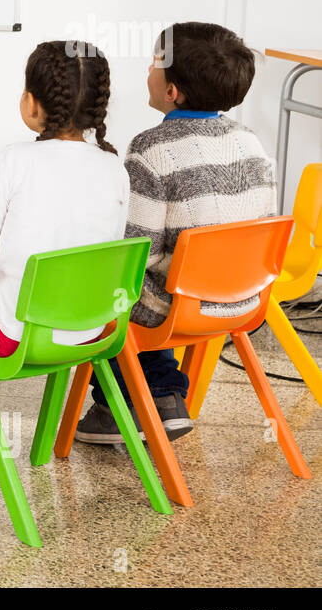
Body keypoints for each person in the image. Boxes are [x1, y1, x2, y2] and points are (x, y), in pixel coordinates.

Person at [0, 41, 130, 463]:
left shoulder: (16, 159)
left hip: (12, 337)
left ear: (32, 104)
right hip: (89, 330)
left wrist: (14, 257)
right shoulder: (114, 167)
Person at [75, 23, 275, 443]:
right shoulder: (251, 142)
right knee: (156, 282)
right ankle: (164, 398)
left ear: (171, 92)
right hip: (244, 301)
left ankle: (122, 405)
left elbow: (137, 253)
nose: (148, 68)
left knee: (110, 288)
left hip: (181, 306)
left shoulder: (151, 149)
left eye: (154, 63)